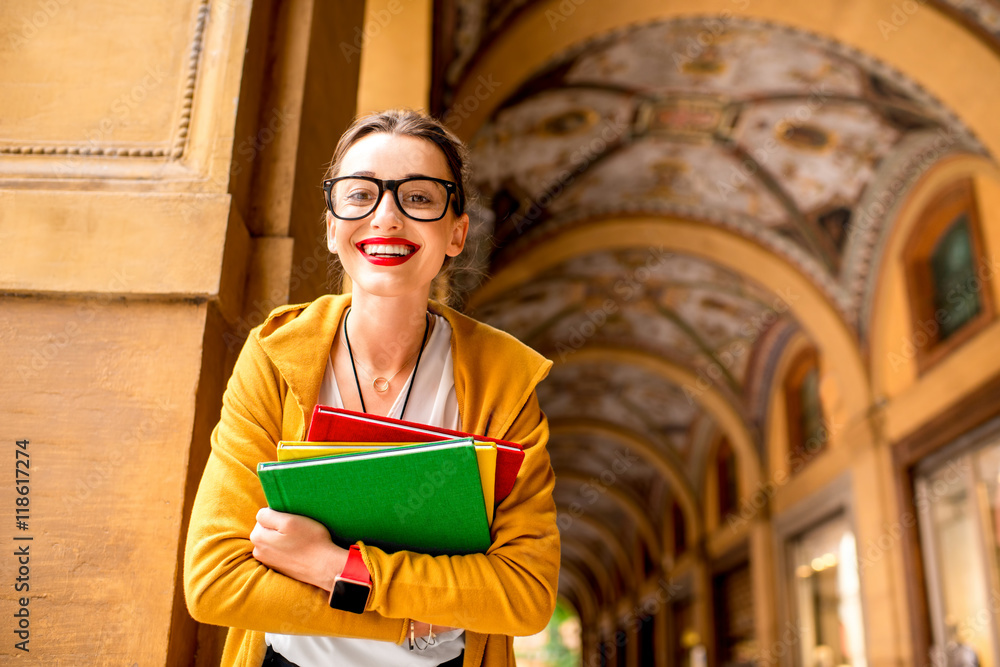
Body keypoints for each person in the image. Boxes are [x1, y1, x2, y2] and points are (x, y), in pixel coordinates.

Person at [183, 109, 561, 667]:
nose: (385, 217)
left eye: (420, 198)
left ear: (456, 232)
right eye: (359, 195)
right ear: (332, 225)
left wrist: (331, 566)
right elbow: (216, 580)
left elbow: (523, 594)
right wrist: (408, 617)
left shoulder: (504, 381)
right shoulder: (274, 358)